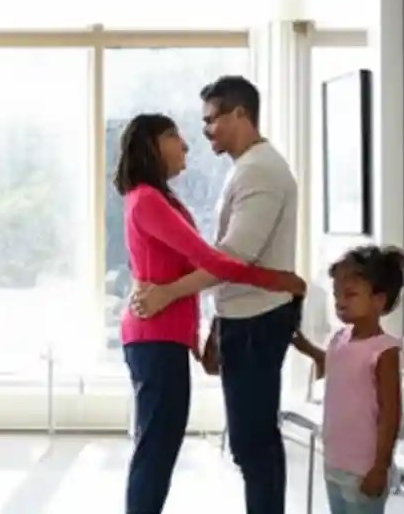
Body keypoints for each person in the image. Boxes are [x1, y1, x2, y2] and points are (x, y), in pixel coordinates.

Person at [114, 113, 306, 514]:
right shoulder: (148, 199)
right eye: (173, 136)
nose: (186, 144)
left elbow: (188, 268)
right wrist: (276, 280)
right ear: (150, 145)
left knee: (159, 444)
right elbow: (211, 260)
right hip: (154, 337)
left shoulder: (159, 198)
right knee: (156, 447)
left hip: (162, 336)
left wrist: (201, 331)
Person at [293, 247, 404, 514]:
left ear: (379, 300)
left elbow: (391, 414)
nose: (340, 302)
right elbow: (335, 369)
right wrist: (306, 347)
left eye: (350, 294)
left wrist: (380, 467)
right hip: (334, 462)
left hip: (364, 469)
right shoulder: (339, 339)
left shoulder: (384, 351)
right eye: (336, 295)